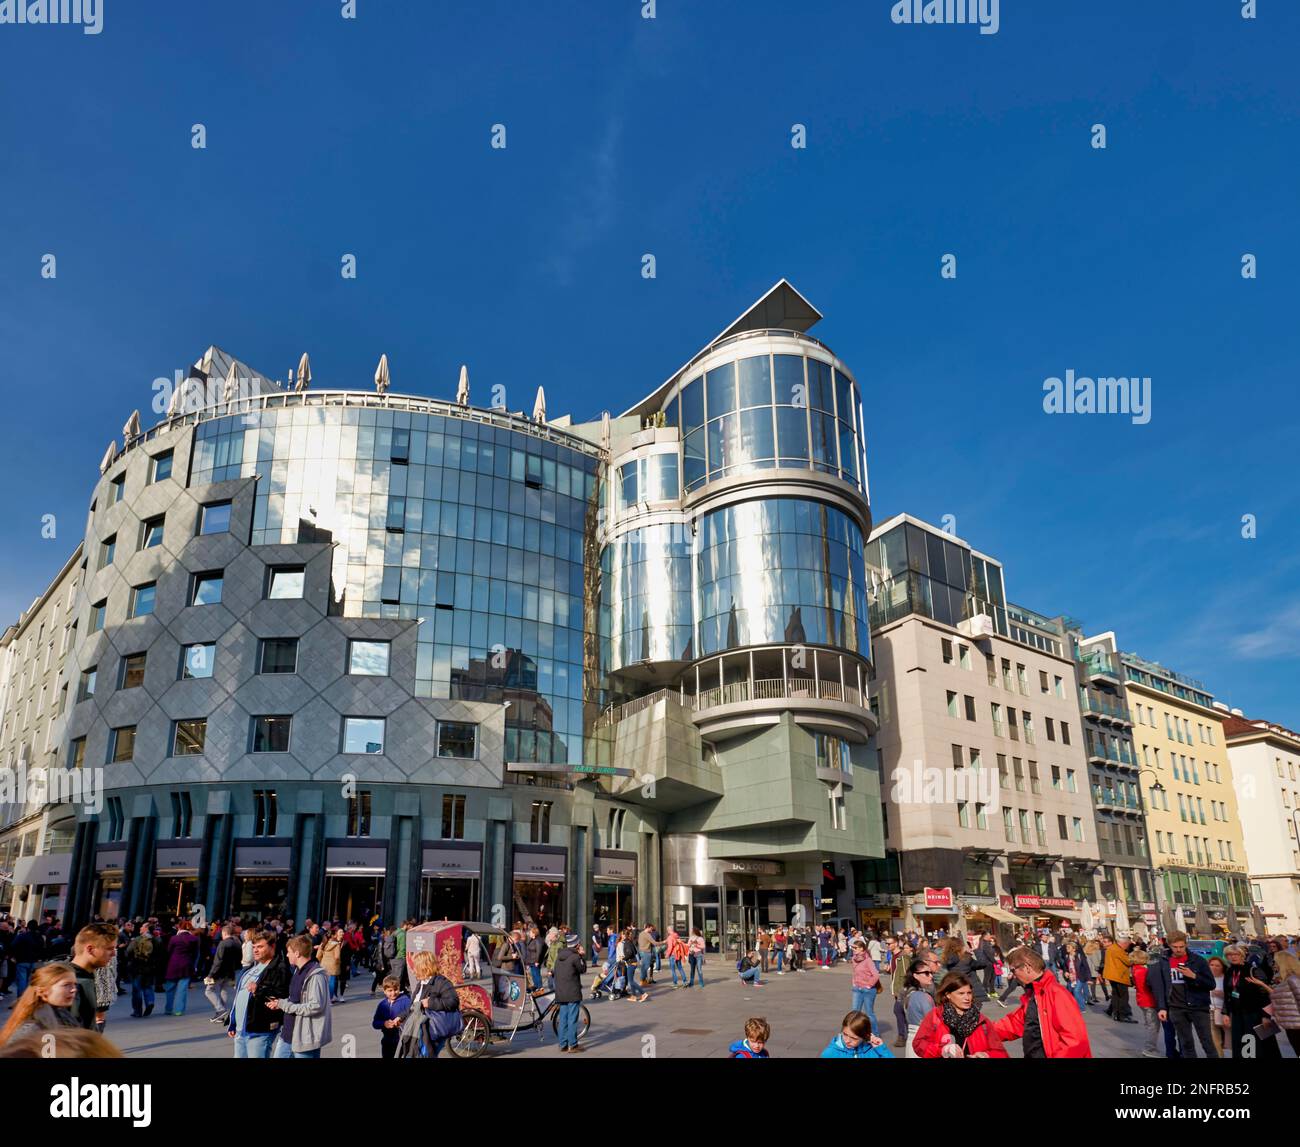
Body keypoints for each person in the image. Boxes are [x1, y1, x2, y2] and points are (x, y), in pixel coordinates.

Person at [992, 946, 1092, 1057]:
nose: (1012, 976)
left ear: (1027, 967)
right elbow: (1014, 1024)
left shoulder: (1057, 994)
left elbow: (1074, 1041)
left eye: (1013, 970)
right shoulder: (1034, 994)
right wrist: (983, 1030)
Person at [1149, 931, 1217, 1059]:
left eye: (1181, 946)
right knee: (1186, 1044)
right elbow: (1160, 987)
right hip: (1176, 1008)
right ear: (1169, 945)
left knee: (1207, 1043)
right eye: (1175, 947)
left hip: (1198, 1007)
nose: (1179, 950)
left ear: (1186, 944)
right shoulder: (1163, 961)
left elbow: (1211, 984)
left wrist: (1194, 976)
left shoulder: (1198, 960)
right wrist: (1162, 1007)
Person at [227, 928, 291, 1058]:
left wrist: (259, 990)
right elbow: (239, 997)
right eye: (254, 947)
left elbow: (281, 995)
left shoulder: (280, 968)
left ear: (272, 946)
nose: (255, 950)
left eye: (260, 947)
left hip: (260, 1030)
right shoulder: (250, 968)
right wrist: (232, 1022)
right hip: (241, 1031)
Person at [912, 972, 1009, 1058]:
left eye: (969, 993)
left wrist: (987, 1055)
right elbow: (918, 1044)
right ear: (948, 995)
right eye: (961, 993)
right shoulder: (935, 1016)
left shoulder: (981, 1021)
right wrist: (942, 1050)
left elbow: (1001, 1052)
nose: (967, 998)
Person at [267, 933, 333, 1059]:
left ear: (297, 953)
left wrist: (284, 1005)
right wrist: (280, 1003)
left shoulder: (315, 975)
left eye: (289, 952)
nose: (287, 955)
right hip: (287, 1035)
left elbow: (315, 1006)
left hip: (304, 1038)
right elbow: (295, 999)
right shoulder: (298, 970)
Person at [398, 949, 460, 1058]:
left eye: (415, 967)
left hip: (431, 1031)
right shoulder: (421, 983)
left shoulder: (441, 982)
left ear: (424, 967)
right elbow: (412, 1007)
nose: (413, 970)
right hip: (418, 1030)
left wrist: (430, 1003)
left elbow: (453, 1002)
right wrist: (399, 1017)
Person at [1222, 942, 1280, 1059]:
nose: (1233, 957)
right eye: (1229, 955)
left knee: (1258, 1046)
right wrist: (1226, 1013)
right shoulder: (1229, 971)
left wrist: (1266, 1016)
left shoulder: (1253, 970)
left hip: (1255, 1014)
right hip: (1238, 1015)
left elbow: (1265, 994)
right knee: (1242, 1045)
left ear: (1242, 955)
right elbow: (1227, 994)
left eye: (1236, 954)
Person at [0, 964, 79, 1046]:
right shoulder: (33, 1029)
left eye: (75, 984)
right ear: (42, 991)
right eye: (66, 985)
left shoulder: (62, 1014)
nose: (74, 989)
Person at [70, 923, 118, 1030]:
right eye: (109, 949)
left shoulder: (93, 977)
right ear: (90, 949)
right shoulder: (65, 981)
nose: (114, 954)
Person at [553, 931, 588, 1053]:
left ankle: (562, 1044)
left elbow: (555, 972)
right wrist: (582, 956)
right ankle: (572, 1045)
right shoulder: (575, 957)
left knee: (563, 1018)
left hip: (561, 992)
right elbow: (582, 969)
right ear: (577, 945)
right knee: (572, 1018)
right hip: (572, 992)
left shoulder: (559, 957)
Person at [204, 923, 242, 1023]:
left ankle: (220, 1010)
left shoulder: (223, 943)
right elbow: (239, 959)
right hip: (230, 971)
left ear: (224, 933)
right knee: (223, 990)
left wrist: (210, 974)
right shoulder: (237, 943)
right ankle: (221, 1014)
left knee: (209, 990)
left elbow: (218, 961)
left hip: (219, 971)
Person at [1266, 950, 1300, 1057]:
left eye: (1276, 962)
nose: (1274, 965)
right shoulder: (1286, 980)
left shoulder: (1293, 979)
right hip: (1291, 1026)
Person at [820, 1009, 893, 1058]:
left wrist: (882, 1049)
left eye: (854, 1038)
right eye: (845, 1034)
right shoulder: (831, 1053)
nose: (847, 1040)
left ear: (865, 1036)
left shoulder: (872, 1051)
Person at [902, 957, 936, 1059]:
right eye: (926, 973)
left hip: (912, 1039)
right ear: (915, 975)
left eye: (931, 973)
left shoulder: (908, 992)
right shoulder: (923, 996)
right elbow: (933, 1021)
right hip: (923, 1040)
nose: (930, 976)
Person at [1129, 947, 1161, 1058]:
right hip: (1148, 1000)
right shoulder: (1143, 970)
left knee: (1149, 1024)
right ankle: (1150, 1048)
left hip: (1142, 999)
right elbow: (1149, 985)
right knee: (1153, 1025)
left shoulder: (1135, 969)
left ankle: (1150, 1047)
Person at [941, 936, 990, 1006]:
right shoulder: (966, 958)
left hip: (955, 989)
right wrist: (976, 950)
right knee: (973, 1012)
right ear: (960, 946)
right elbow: (983, 964)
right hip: (970, 990)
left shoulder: (946, 958)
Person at [163, 920, 198, 1016]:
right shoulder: (194, 939)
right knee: (182, 989)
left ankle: (168, 1009)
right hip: (186, 965)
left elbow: (169, 951)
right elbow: (195, 954)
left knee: (170, 988)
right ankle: (179, 1010)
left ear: (179, 927)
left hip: (173, 964)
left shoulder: (174, 938)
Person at [371, 975, 411, 1059]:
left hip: (403, 1040)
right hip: (387, 1040)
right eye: (390, 990)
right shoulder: (382, 1005)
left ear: (399, 988)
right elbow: (375, 1023)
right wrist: (384, 1023)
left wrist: (401, 1021)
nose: (393, 993)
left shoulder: (406, 1000)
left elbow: (411, 1011)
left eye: (396, 989)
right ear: (384, 991)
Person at [849, 938, 880, 1034]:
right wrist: (854, 982)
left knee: (869, 1013)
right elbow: (855, 972)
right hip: (857, 989)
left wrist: (868, 985)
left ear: (862, 949)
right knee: (854, 1012)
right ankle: (854, 1032)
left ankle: (875, 1034)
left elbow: (876, 975)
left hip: (868, 990)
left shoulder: (868, 960)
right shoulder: (854, 959)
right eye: (852, 947)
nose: (853, 949)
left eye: (855, 948)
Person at [1102, 934, 1136, 1022]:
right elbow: (1128, 962)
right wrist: (1135, 957)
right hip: (1118, 976)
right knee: (1123, 996)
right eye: (1127, 944)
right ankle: (1122, 1015)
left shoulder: (1111, 948)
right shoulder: (1118, 950)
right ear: (1123, 944)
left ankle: (1116, 1014)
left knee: (1116, 995)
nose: (1127, 946)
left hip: (1112, 975)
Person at [125, 926, 156, 1017]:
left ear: (146, 929)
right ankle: (150, 1001)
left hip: (137, 966)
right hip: (149, 967)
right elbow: (159, 953)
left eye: (141, 927)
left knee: (137, 989)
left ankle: (137, 1011)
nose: (140, 929)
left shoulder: (136, 939)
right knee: (148, 986)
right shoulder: (155, 940)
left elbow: (128, 951)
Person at [1061, 940, 1092, 1013]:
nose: (1067, 948)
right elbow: (1065, 966)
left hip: (1080, 977)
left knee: (1076, 991)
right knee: (1070, 992)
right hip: (1071, 977)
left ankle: (1082, 1008)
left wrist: (1089, 979)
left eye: (1069, 947)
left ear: (1074, 949)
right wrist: (1065, 972)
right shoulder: (1066, 956)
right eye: (1066, 947)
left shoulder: (1079, 956)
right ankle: (1073, 1006)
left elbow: (1086, 967)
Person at [318, 927, 345, 1002]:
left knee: (323, 982)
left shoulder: (323, 943)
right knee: (332, 982)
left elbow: (318, 955)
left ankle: (322, 998)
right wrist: (338, 963)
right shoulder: (336, 945)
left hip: (323, 964)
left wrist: (321, 961)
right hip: (333, 965)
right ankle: (330, 998)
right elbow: (337, 956)